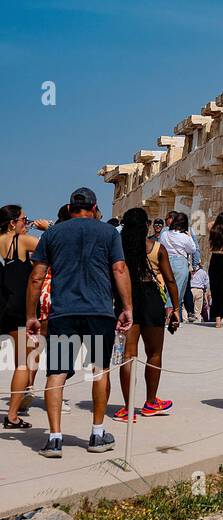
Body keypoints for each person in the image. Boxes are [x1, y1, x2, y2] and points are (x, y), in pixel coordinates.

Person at [25, 187, 132, 458]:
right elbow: (119, 269)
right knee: (99, 371)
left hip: (64, 312)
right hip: (99, 311)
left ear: (70, 207)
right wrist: (127, 307)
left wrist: (31, 315)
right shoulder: (108, 233)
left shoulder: (52, 234)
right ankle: (97, 434)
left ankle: (55, 439)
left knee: (57, 373)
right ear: (94, 208)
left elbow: (37, 277)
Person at [114, 208, 180, 421]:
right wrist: (176, 308)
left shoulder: (118, 248)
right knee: (154, 353)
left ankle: (127, 408)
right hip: (151, 300)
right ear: (145, 226)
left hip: (127, 301)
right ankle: (151, 402)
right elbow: (170, 280)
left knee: (128, 357)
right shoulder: (156, 248)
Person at [1, 205, 51, 429]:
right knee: (24, 363)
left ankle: (18, 402)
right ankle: (12, 415)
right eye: (24, 219)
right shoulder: (22, 241)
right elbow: (53, 248)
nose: (27, 223)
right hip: (20, 307)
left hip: (3, 305)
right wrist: (47, 228)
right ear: (13, 222)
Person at [158, 213, 199, 323]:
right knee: (178, 291)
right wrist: (189, 237)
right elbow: (193, 249)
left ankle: (166, 316)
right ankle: (172, 318)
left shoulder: (164, 234)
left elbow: (160, 246)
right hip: (180, 262)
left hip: (166, 261)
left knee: (166, 289)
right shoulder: (185, 237)